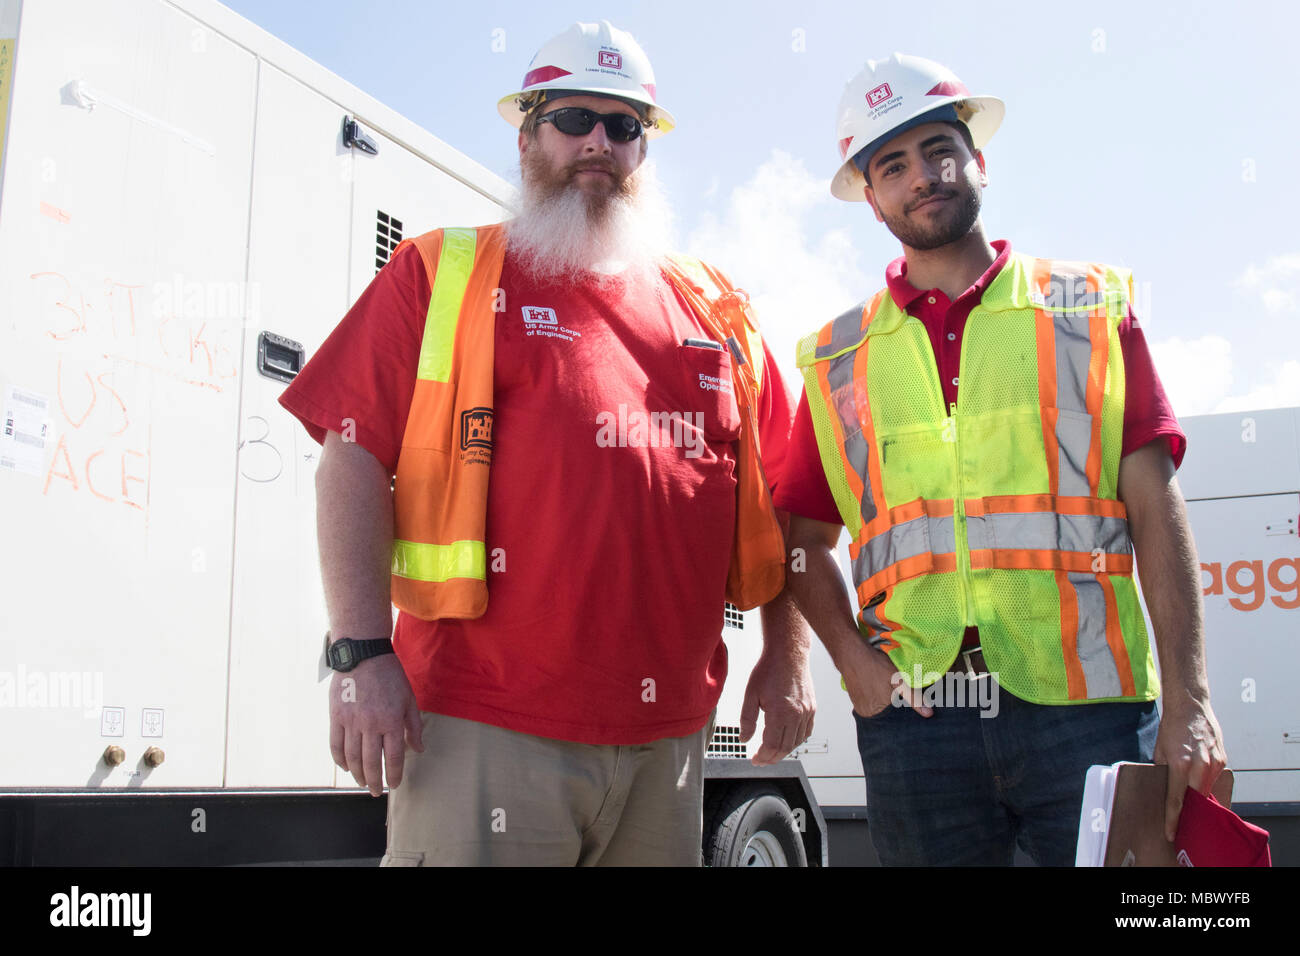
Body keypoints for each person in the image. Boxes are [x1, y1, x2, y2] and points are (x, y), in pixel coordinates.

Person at [278, 19, 814, 866]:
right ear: (528, 135)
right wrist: (359, 652)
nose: (598, 142)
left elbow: (787, 498)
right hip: (480, 730)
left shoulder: (717, 312)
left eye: (625, 125)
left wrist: (787, 660)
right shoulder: (439, 275)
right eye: (574, 119)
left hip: (667, 748)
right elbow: (348, 457)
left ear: (644, 150)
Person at [778, 53, 1225, 865]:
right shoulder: (838, 359)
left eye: (941, 149)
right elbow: (798, 539)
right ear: (873, 200)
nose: (925, 175)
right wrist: (853, 666)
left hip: (1088, 708)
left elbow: (1156, 505)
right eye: (894, 165)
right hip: (915, 717)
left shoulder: (1088, 309)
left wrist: (1191, 700)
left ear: (978, 159)